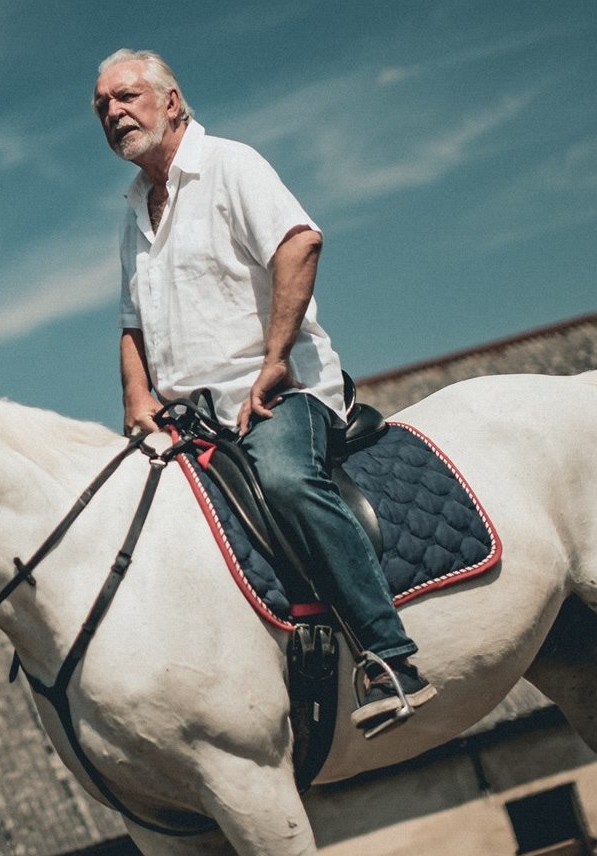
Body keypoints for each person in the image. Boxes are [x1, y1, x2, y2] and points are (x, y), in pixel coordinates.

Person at [93, 48, 435, 731]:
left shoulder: (230, 165)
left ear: (172, 100)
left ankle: (388, 655)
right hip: (193, 421)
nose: (113, 113)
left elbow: (299, 242)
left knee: (284, 479)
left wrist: (274, 359)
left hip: (279, 393)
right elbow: (131, 324)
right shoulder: (132, 212)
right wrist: (136, 400)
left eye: (126, 97)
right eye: (101, 106)